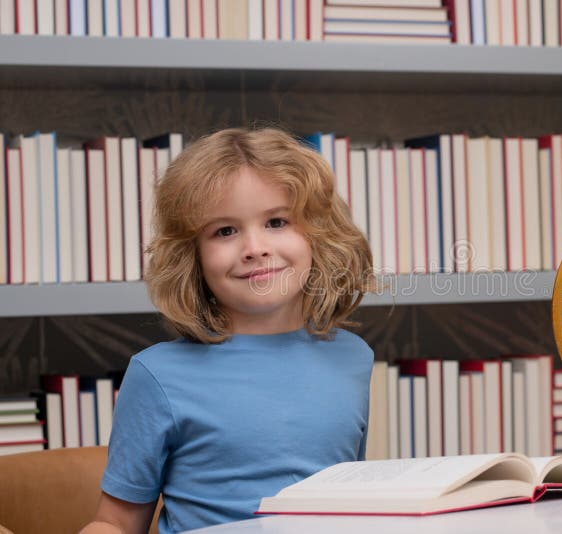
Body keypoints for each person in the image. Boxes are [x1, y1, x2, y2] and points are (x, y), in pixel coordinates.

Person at [81, 127, 377, 534]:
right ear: (193, 257)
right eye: (225, 231)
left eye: (276, 221)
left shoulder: (354, 357)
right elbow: (114, 523)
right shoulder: (157, 375)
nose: (255, 248)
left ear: (318, 235)